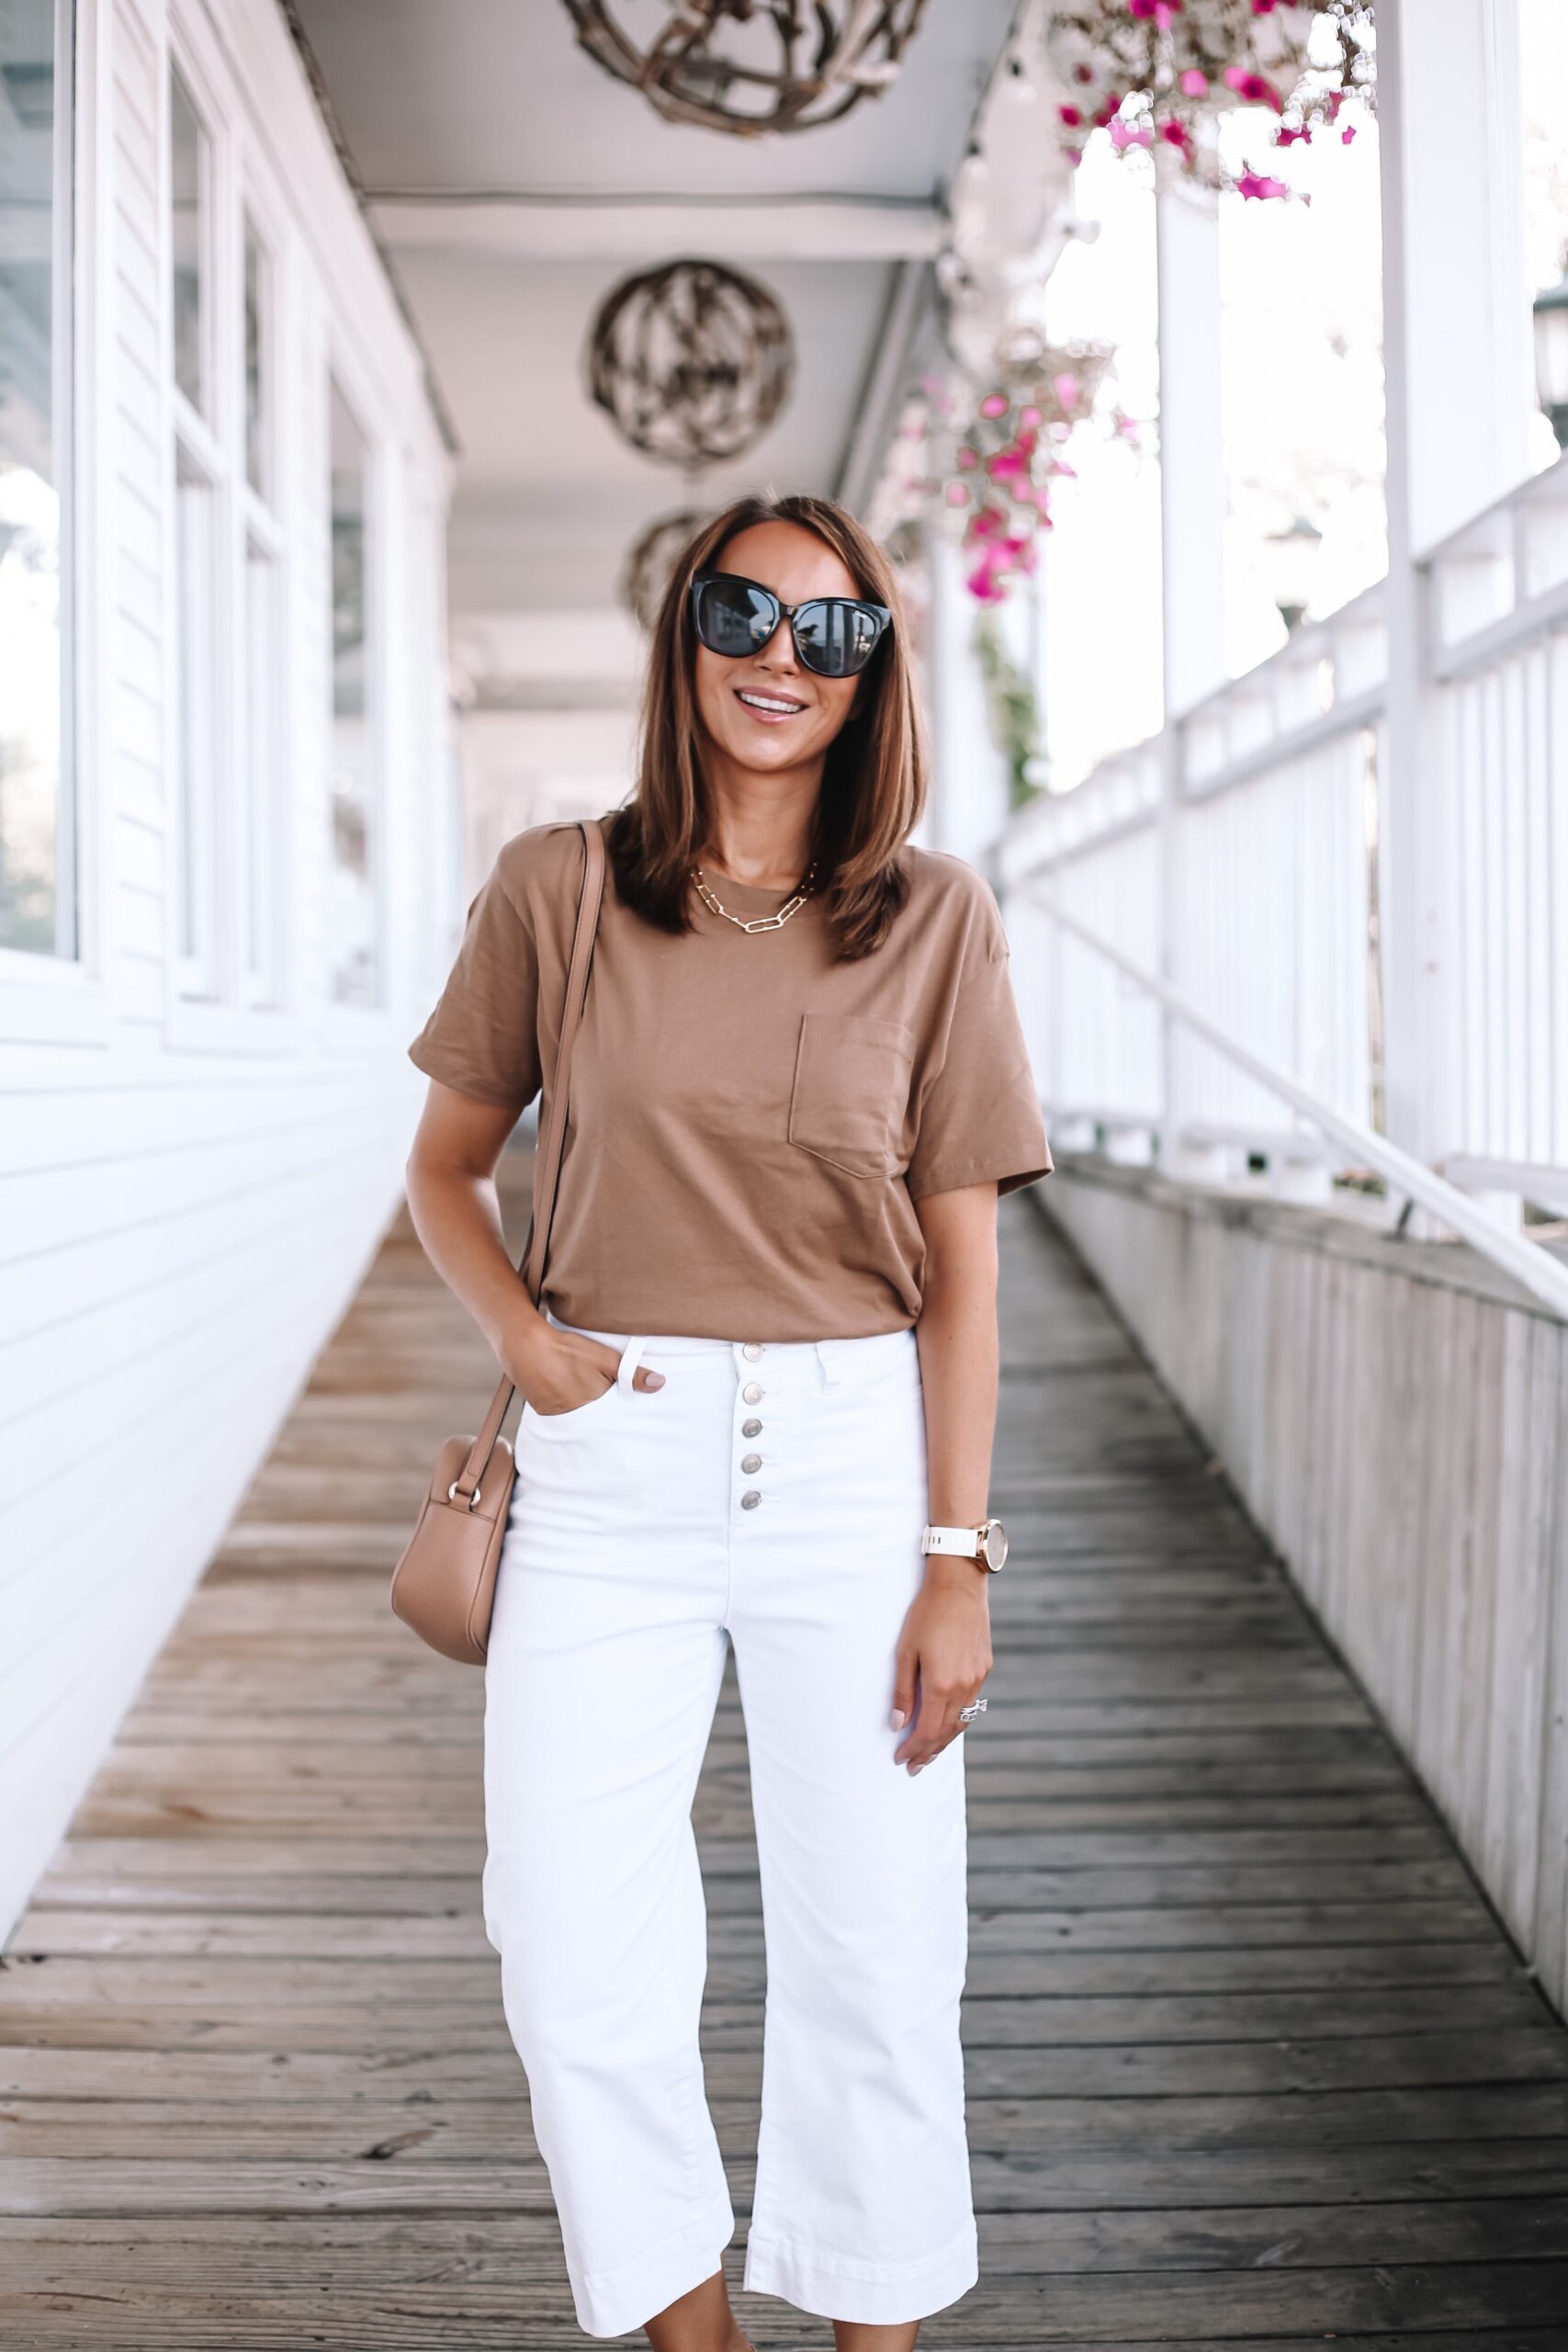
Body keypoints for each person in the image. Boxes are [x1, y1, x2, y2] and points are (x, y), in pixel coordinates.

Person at [402, 491, 1052, 2351]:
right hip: (607, 1457)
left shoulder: (931, 919)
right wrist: (521, 1337)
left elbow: (965, 1279)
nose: (781, 657)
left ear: (871, 676)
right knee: (568, 1938)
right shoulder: (558, 886)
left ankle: (873, 2334)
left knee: (874, 1952)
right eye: (742, 613)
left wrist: (955, 1558)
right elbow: (447, 1166)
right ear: (685, 636)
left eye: (828, 632)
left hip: (853, 1469)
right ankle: (690, 2335)